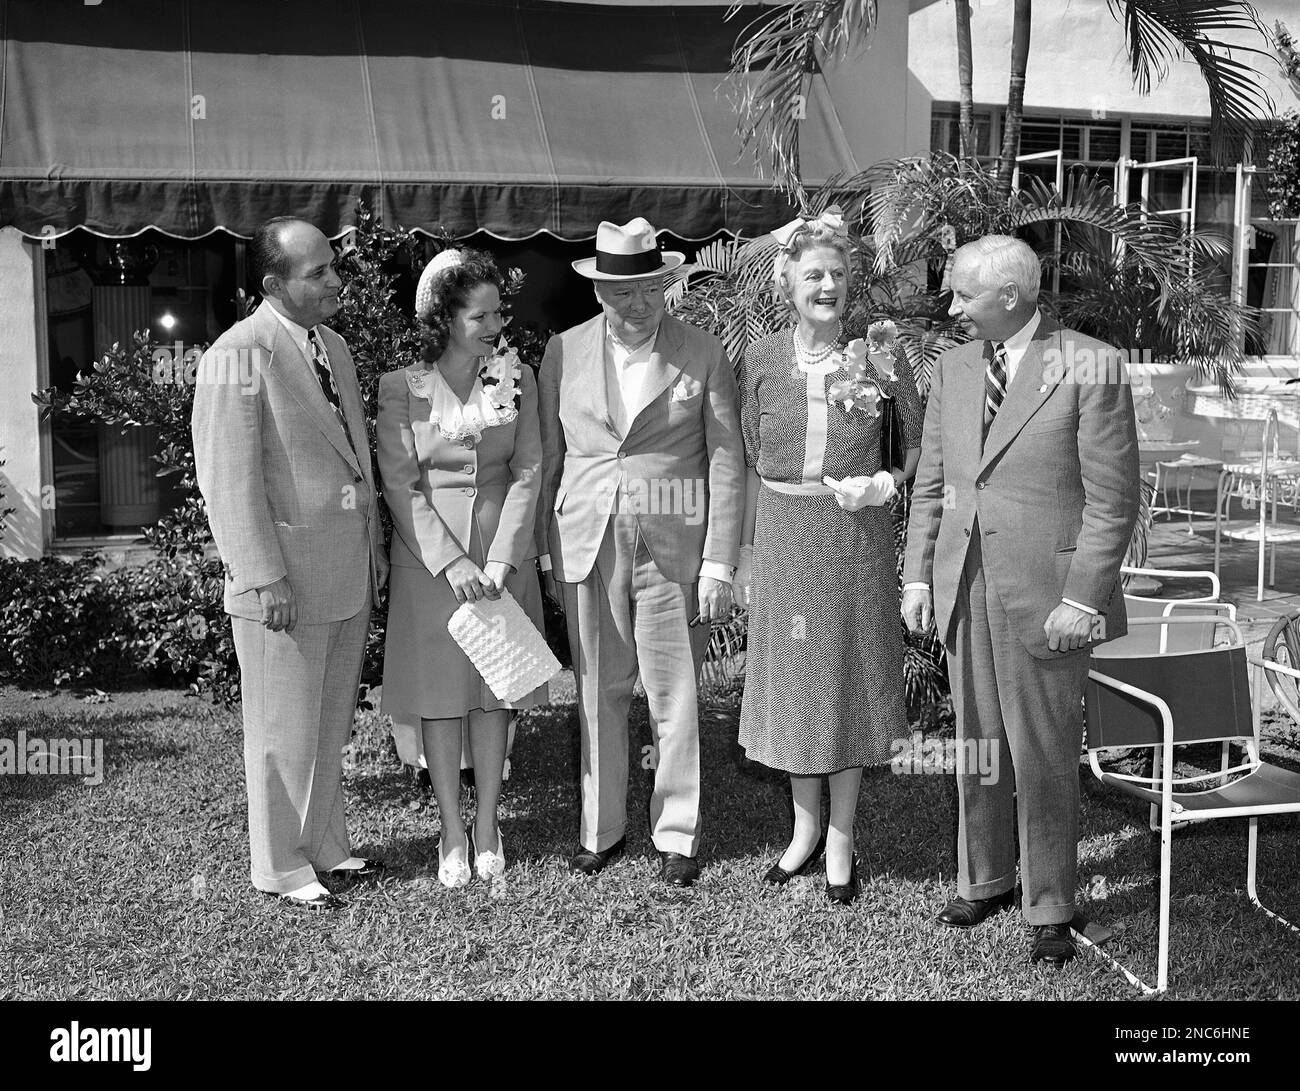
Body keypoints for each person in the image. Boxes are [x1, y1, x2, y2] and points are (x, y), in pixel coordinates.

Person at [902, 235, 1139, 965]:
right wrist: (918, 577)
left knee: (1043, 754)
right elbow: (933, 485)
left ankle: (1051, 904)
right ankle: (984, 879)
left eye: (963, 294)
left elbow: (1113, 500)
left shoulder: (1091, 363)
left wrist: (1084, 597)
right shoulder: (954, 367)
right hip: (963, 584)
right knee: (977, 743)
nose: (952, 307)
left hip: (1049, 595)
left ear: (1010, 295)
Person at [537, 216, 744, 887]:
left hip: (675, 546)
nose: (639, 302)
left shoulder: (702, 350)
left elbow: (727, 459)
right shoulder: (561, 352)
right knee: (597, 688)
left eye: (651, 287)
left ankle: (677, 833)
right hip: (588, 542)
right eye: (623, 291)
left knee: (674, 692)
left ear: (666, 284)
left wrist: (719, 561)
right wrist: (546, 555)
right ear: (599, 292)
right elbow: (548, 460)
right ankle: (600, 830)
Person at [192, 215, 389, 911]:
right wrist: (262, 575)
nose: (336, 281)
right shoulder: (236, 355)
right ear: (274, 285)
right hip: (284, 584)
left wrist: (373, 546)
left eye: (333, 266)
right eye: (319, 273)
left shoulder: (332, 345)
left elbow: (352, 458)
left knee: (329, 722)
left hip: (344, 572)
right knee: (282, 731)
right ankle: (279, 866)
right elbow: (227, 477)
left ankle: (326, 845)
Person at [734, 208, 923, 905]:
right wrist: (745, 552)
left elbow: (911, 445)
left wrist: (886, 484)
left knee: (845, 678)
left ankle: (841, 836)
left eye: (838, 274)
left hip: (854, 537)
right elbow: (748, 457)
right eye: (813, 274)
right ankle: (804, 829)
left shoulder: (878, 353)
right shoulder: (760, 360)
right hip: (785, 536)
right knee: (797, 681)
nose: (827, 286)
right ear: (787, 284)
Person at [377, 247, 545, 890]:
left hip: (502, 558)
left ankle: (488, 824)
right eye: (480, 315)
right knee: (441, 698)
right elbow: (400, 483)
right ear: (444, 319)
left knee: (495, 690)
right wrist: (450, 561)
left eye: (499, 313)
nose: (495, 326)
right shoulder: (402, 388)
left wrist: (502, 557)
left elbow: (529, 468)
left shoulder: (517, 378)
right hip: (431, 566)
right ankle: (451, 829)